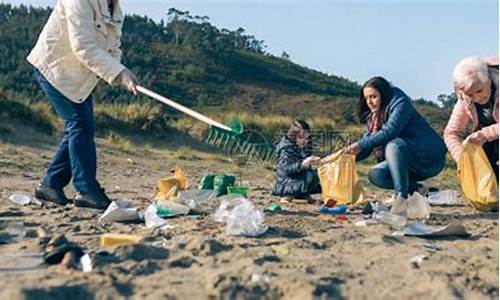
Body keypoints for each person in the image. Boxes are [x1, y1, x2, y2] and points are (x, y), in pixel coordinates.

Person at [27, 0, 138, 209]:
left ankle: (50, 185)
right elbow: (83, 46)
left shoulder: (116, 10)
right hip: (54, 68)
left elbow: (113, 48)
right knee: (80, 125)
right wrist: (118, 72)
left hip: (78, 76)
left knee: (78, 127)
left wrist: (119, 72)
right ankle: (87, 191)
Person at [344, 77, 446, 215]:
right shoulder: (374, 116)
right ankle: (417, 190)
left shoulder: (401, 103)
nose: (369, 102)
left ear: (384, 94)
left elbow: (391, 131)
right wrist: (346, 157)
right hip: (405, 163)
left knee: (393, 145)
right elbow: (368, 142)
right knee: (376, 174)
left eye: (373, 97)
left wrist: (360, 144)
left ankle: (401, 198)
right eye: (366, 98)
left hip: (429, 159)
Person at [444, 56, 499, 180]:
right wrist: (462, 159)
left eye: (479, 90)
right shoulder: (465, 100)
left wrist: (484, 135)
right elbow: (452, 133)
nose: (476, 98)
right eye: (470, 94)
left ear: (488, 81)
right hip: (491, 145)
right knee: (476, 147)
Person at [272, 120, 321, 203]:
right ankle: (288, 195)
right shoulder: (286, 148)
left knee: (317, 173)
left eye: (307, 138)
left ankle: (302, 194)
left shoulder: (304, 146)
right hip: (286, 182)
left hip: (299, 177)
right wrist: (304, 163)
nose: (305, 141)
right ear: (293, 136)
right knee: (309, 175)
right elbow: (287, 169)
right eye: (301, 138)